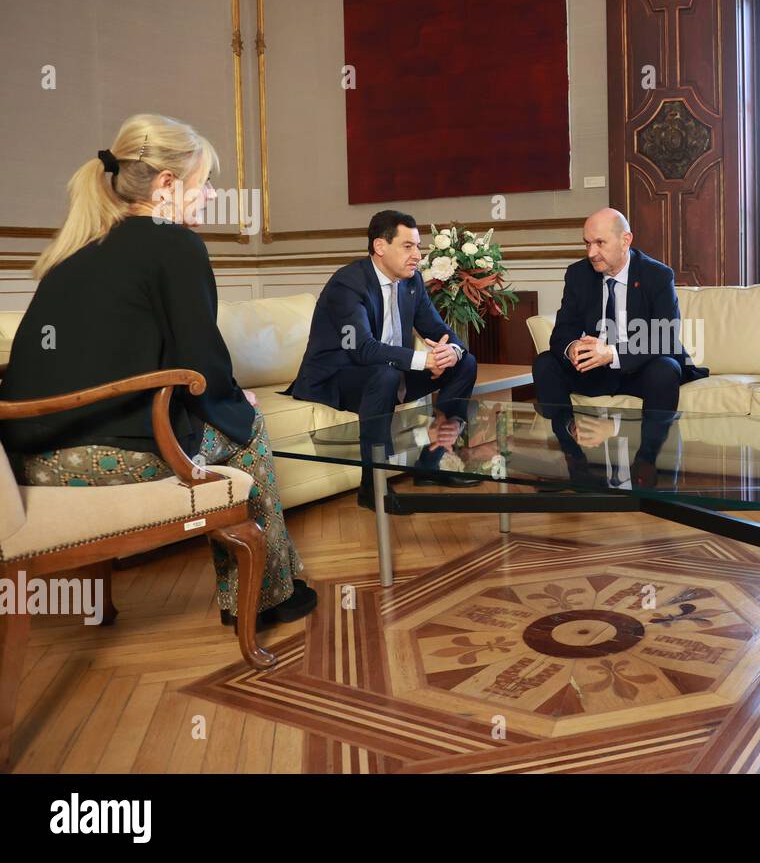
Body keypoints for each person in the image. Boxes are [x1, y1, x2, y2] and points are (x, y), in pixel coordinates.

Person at [0, 113, 315, 627]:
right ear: (168, 184)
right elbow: (202, 362)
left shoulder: (76, 248)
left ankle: (275, 583)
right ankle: (264, 598)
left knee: (234, 414)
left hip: (27, 461)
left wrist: (220, 396)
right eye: (205, 181)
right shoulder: (174, 242)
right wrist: (235, 404)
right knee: (250, 428)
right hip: (109, 460)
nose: (212, 195)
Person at [286, 210, 480, 508]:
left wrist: (450, 351)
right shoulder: (347, 285)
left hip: (387, 371)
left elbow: (439, 329)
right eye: (408, 246)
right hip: (339, 376)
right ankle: (372, 486)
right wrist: (423, 360)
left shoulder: (412, 283)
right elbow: (361, 348)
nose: (418, 255)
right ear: (380, 247)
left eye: (418, 246)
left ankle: (431, 463)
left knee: (465, 363)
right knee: (384, 374)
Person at [532, 207, 707, 467]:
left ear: (626, 240)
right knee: (545, 363)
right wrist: (573, 348)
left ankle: (649, 465)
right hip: (594, 370)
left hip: (638, 369)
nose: (591, 253)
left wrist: (611, 353)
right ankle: (573, 460)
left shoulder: (657, 275)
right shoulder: (579, 274)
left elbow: (665, 336)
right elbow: (562, 333)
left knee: (666, 370)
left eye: (600, 243)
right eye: (587, 243)